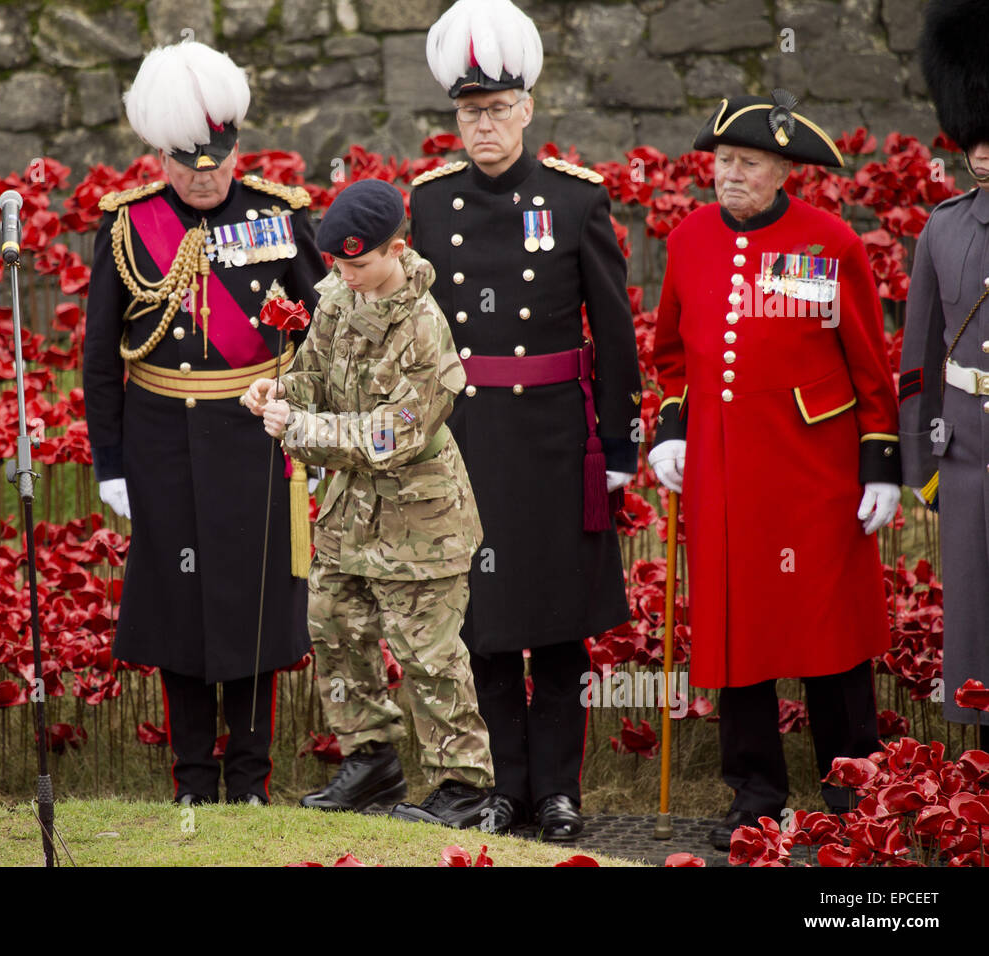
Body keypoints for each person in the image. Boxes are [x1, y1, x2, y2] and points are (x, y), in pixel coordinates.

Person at [409, 0, 641, 840]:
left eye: (498, 111)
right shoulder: (430, 204)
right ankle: (503, 787)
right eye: (469, 113)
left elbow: (614, 332)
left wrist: (617, 442)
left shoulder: (576, 200)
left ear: (528, 109)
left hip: (551, 439)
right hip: (466, 443)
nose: (484, 127)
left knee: (561, 627)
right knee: (486, 626)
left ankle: (559, 792)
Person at [646, 91, 902, 849]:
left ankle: (852, 790)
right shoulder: (690, 238)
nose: (729, 175)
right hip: (725, 478)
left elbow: (866, 358)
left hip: (815, 474)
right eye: (722, 162)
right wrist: (672, 428)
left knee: (829, 635)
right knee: (739, 637)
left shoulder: (829, 243)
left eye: (747, 164)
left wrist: (879, 460)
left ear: (785, 170)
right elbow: (670, 353)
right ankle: (754, 796)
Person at [83, 41, 325, 806]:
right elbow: (98, 358)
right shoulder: (128, 227)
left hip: (256, 440)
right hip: (161, 444)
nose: (203, 174)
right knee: (178, 609)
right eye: (188, 162)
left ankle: (250, 780)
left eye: (216, 160)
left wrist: (310, 429)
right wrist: (113, 463)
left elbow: (323, 332)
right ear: (163, 156)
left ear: (236, 149)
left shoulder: (278, 217)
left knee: (255, 607)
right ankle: (192, 781)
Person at [243, 178, 495, 828]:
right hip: (350, 513)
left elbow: (394, 436)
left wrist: (301, 431)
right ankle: (371, 758)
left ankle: (462, 786)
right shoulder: (335, 298)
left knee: (427, 655)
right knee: (334, 629)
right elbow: (315, 375)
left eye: (359, 264)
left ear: (397, 250)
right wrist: (277, 395)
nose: (346, 276)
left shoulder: (426, 327)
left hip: (422, 520)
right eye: (339, 264)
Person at [900, 0, 989, 747]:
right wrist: (922, 463)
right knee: (970, 614)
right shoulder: (942, 227)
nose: (985, 153)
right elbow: (918, 362)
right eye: (976, 139)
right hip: (962, 451)